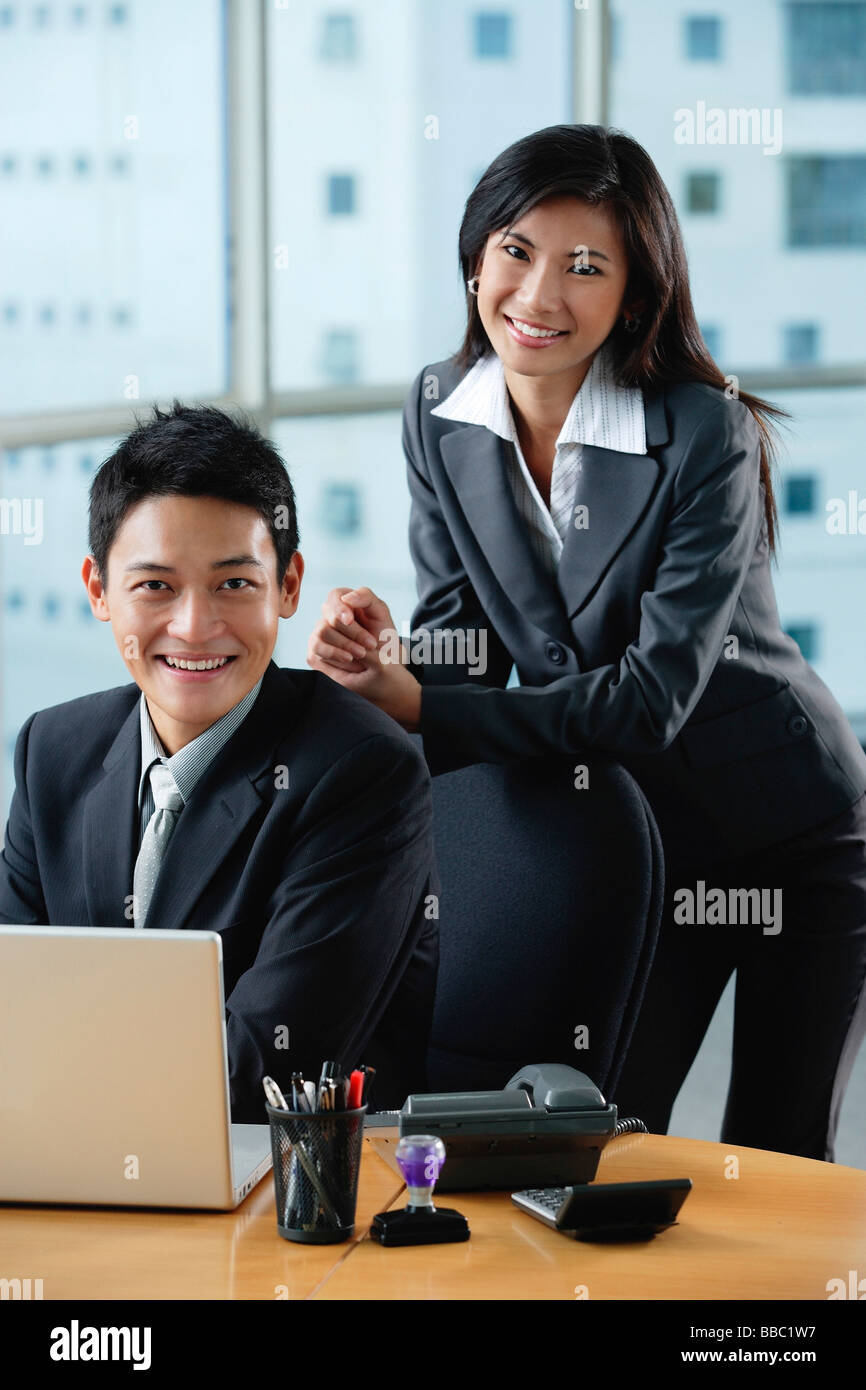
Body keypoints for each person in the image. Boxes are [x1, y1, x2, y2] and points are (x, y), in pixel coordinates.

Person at [306, 123, 866, 1161]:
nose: (537, 295)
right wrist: (380, 657)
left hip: (792, 825)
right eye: (514, 251)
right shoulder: (440, 410)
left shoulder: (703, 429)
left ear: (634, 294)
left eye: (583, 266)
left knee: (777, 1153)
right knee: (605, 1140)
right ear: (474, 256)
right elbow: (461, 641)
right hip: (638, 838)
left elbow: (647, 697)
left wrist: (418, 700)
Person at [0, 402, 439, 1119]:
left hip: (276, 1191)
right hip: (66, 1165)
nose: (195, 627)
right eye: (155, 585)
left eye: (234, 584)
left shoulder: (362, 772)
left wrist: (53, 1074)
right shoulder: (54, 751)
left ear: (288, 586)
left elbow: (264, 1072)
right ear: (98, 591)